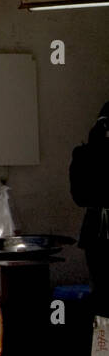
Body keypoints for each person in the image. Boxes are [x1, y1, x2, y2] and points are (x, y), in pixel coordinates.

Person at [74, 101, 109, 318]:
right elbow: (80, 196)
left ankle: (101, 351)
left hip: (94, 232)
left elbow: (79, 197)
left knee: (101, 297)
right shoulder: (86, 155)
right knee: (102, 297)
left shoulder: (84, 154)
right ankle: (101, 351)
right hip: (97, 231)